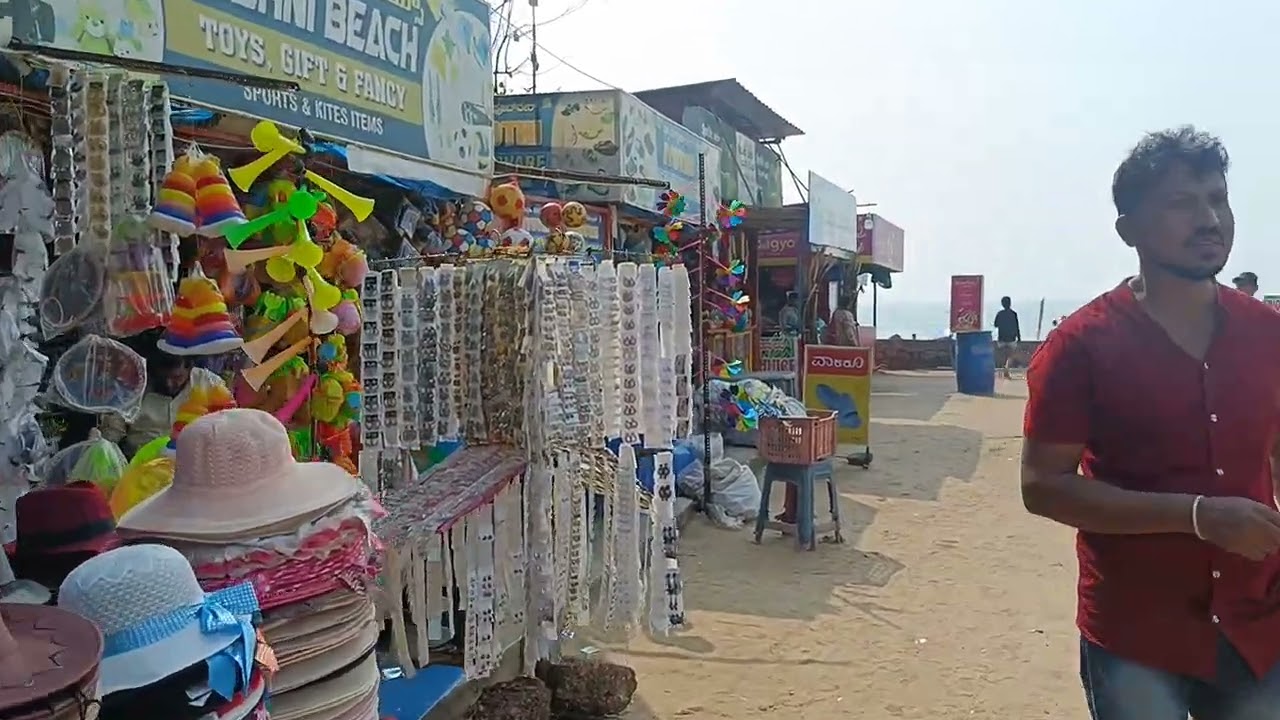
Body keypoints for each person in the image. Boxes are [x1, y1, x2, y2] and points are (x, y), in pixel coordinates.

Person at [1021, 126, 1280, 719]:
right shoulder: (1081, 346)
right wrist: (1196, 516)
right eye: (1181, 204)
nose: (1209, 218)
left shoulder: (1269, 335)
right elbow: (1042, 485)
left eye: (1217, 198)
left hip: (1259, 624)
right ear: (1129, 230)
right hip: (1138, 634)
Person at [993, 296, 1021, 378]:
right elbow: (1017, 327)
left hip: (1002, 338)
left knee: (1002, 355)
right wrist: (1019, 338)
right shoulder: (1013, 314)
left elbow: (995, 324)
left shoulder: (1000, 314)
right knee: (1010, 356)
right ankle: (1006, 369)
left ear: (1002, 304)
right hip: (1011, 338)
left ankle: (1003, 370)